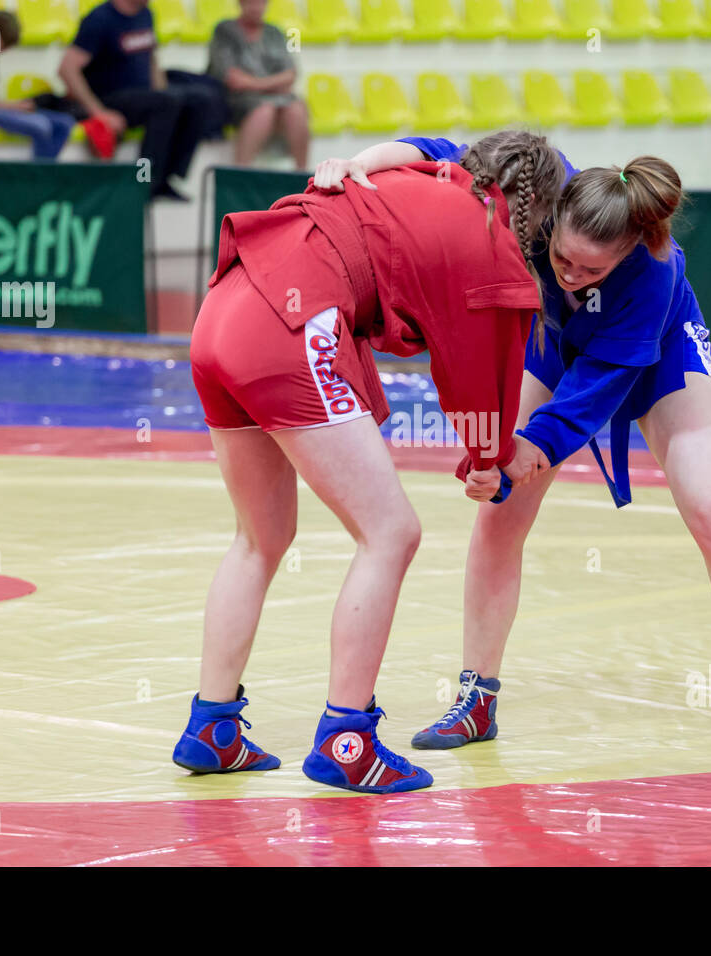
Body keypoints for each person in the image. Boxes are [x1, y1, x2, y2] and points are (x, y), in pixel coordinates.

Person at [317, 137, 711, 758]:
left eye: (591, 271)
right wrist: (362, 162)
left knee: (709, 506)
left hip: (654, 352)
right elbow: (450, 151)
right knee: (499, 515)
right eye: (562, 259)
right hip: (554, 334)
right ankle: (477, 696)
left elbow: (592, 394)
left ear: (629, 250)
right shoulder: (545, 185)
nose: (570, 274)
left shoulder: (654, 272)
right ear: (556, 211)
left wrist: (525, 448)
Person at [172, 130, 565, 794]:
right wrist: (490, 458)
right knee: (391, 533)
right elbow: (476, 370)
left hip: (222, 312)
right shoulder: (490, 231)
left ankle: (212, 727)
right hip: (289, 323)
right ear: (538, 209)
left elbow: (394, 157)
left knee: (259, 538)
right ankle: (346, 738)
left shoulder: (422, 177)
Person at [58, 0, 210, 200]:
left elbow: (151, 58)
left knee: (199, 99)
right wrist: (99, 113)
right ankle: (144, 180)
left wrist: (164, 91)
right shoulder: (100, 18)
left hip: (143, 97)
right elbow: (67, 69)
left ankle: (167, 178)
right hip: (108, 99)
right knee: (166, 103)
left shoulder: (146, 13)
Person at [0, 11, 83, 160]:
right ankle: (39, 177)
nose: (1, 51)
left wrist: (13, 106)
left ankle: (47, 170)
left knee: (64, 123)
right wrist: (10, 106)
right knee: (41, 126)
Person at [207, 0, 309, 168]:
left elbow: (290, 75)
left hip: (272, 97)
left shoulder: (274, 32)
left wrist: (255, 83)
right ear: (240, 3)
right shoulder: (224, 30)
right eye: (251, 3)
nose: (256, 8)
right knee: (265, 109)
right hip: (234, 101)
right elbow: (232, 79)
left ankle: (301, 174)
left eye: (261, 3)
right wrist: (273, 84)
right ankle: (241, 171)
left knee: (297, 108)